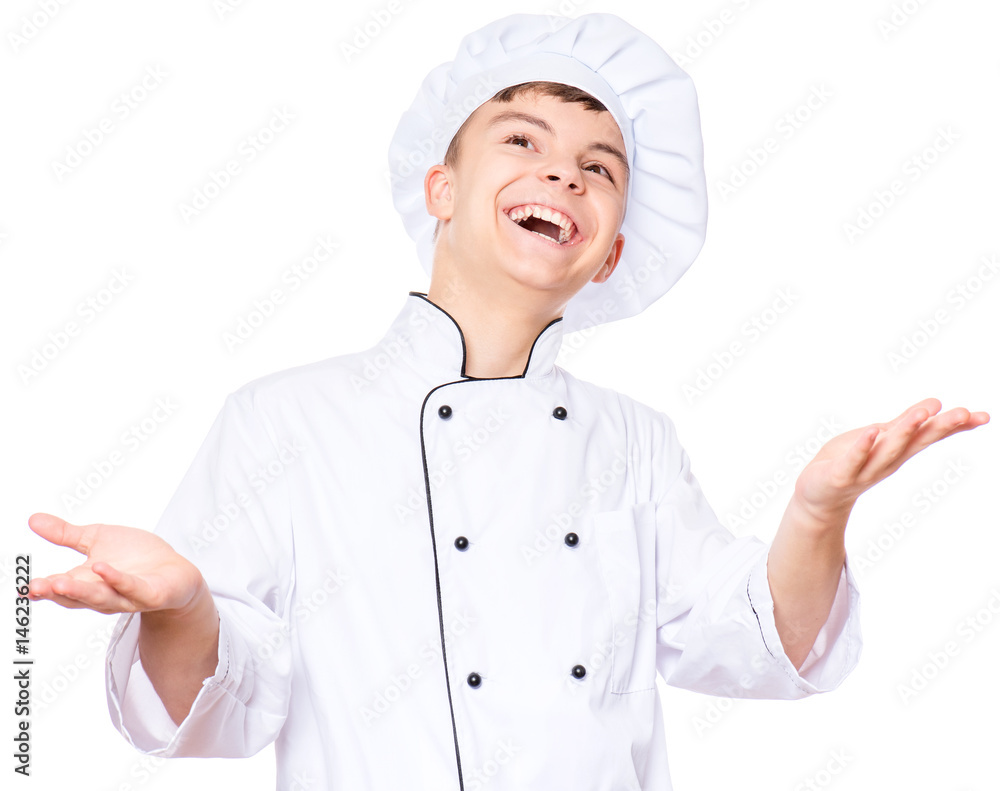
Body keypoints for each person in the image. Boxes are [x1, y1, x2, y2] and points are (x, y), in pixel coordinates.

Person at [26, 12, 988, 791]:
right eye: (522, 138)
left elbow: (757, 648)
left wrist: (817, 514)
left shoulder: (634, 441)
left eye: (600, 166)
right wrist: (184, 607)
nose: (564, 170)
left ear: (609, 250)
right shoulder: (285, 421)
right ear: (439, 187)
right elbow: (220, 711)